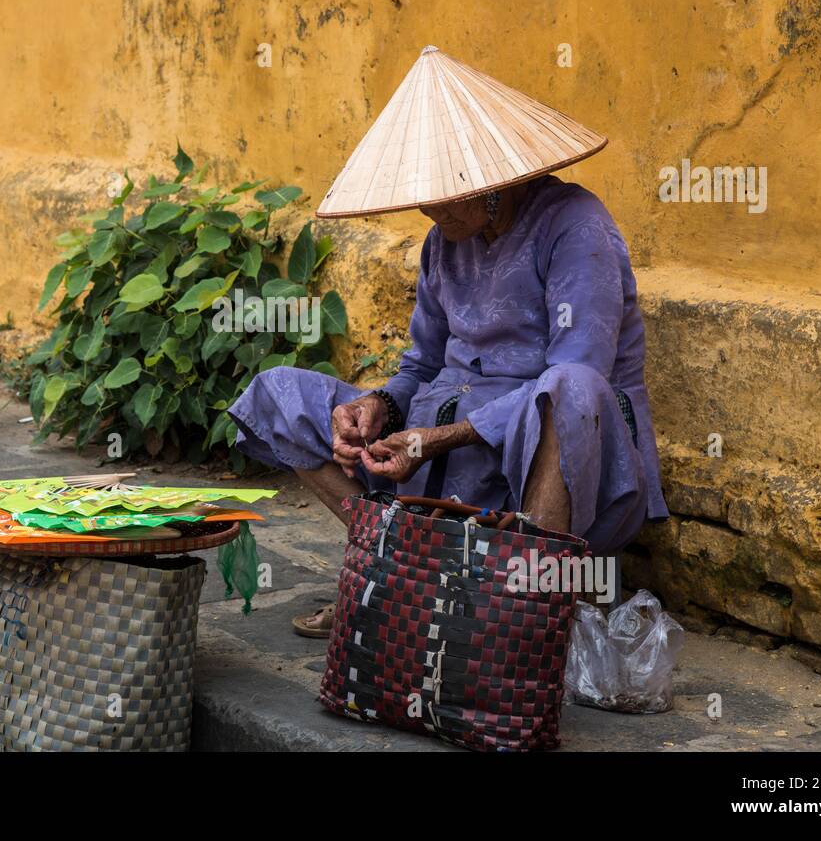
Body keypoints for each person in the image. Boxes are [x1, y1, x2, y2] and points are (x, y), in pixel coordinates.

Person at [226, 46, 668, 637]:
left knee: (571, 387)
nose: (431, 210)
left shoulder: (574, 224)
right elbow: (422, 365)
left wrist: (440, 438)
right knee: (276, 394)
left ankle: (519, 610)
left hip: (543, 453)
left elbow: (581, 369)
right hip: (436, 456)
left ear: (491, 177)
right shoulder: (443, 242)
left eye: (446, 193)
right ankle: (400, 571)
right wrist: (377, 408)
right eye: (423, 196)